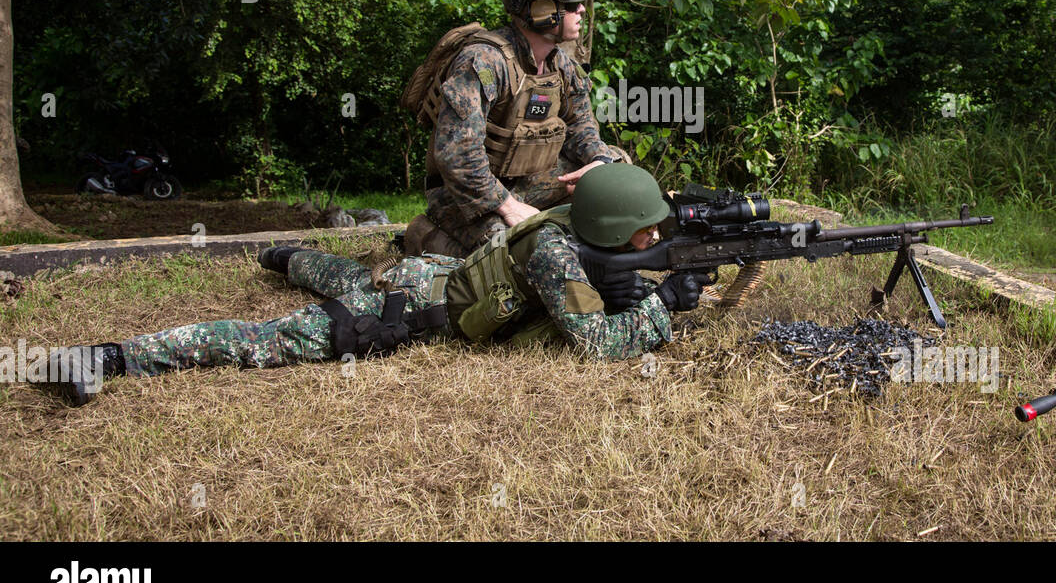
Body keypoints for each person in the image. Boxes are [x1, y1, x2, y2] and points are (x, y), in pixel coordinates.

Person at [36, 165, 701, 407]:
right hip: (404, 309)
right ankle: (106, 357)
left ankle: (288, 254)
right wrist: (663, 306)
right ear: (612, 223)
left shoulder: (563, 216)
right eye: (643, 231)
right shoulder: (555, 251)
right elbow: (598, 346)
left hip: (435, 276)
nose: (651, 239)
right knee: (261, 342)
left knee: (349, 272)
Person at [405, 0, 627, 258]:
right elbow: (457, 155)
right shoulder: (484, 61)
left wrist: (599, 163)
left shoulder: (561, 65)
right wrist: (508, 207)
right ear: (540, 10)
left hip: (526, 180)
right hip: (467, 194)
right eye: (571, 5)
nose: (580, 11)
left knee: (617, 168)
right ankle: (428, 236)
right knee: (517, 252)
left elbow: (581, 128)